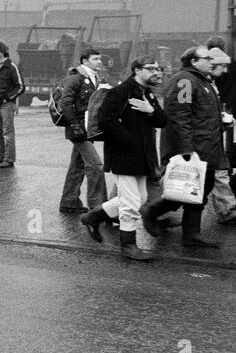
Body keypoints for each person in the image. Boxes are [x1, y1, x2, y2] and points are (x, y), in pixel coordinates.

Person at [141, 46, 229, 247]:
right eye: (207, 58)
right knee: (189, 188)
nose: (211, 61)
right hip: (195, 147)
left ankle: (191, 234)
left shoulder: (202, 81)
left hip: (206, 145)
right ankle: (152, 212)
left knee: (201, 188)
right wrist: (185, 148)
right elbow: (179, 116)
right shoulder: (185, 81)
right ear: (193, 61)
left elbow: (201, 114)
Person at [81, 58, 166, 261]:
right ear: (137, 70)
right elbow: (105, 120)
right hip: (124, 155)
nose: (157, 72)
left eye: (158, 69)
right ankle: (128, 245)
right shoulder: (121, 92)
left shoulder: (148, 93)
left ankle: (93, 217)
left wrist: (151, 110)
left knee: (141, 198)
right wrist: (127, 141)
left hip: (143, 156)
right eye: (151, 68)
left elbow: (163, 121)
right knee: (131, 202)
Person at [57, 48, 108, 214]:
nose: (99, 61)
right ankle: (98, 207)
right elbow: (66, 103)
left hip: (87, 129)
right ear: (85, 61)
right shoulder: (75, 78)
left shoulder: (95, 78)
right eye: (95, 59)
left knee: (77, 165)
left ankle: (69, 201)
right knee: (95, 165)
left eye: (100, 59)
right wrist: (74, 125)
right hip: (78, 129)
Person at [202, 37, 236, 224]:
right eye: (222, 67)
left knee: (218, 169)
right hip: (202, 135)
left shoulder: (209, 81)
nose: (225, 71)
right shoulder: (199, 82)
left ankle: (226, 208)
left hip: (208, 132)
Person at [0, 41, 23, 167]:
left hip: (6, 105)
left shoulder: (11, 67)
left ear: (2, 52)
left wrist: (8, 98)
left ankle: (9, 159)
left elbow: (20, 87)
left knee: (7, 132)